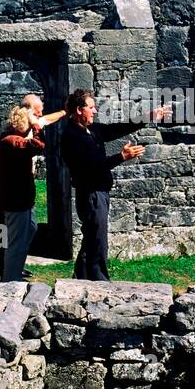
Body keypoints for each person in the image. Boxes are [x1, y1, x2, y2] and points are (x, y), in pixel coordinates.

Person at [60, 88, 170, 281]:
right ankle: (100, 282)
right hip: (91, 194)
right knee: (98, 241)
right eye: (91, 108)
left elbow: (117, 128)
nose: (94, 112)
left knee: (91, 239)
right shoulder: (72, 136)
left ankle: (79, 280)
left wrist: (148, 116)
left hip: (100, 192)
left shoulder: (91, 129)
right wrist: (122, 157)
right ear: (79, 110)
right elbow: (92, 166)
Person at [0, 105, 45, 282]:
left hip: (21, 199)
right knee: (15, 245)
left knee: (30, 228)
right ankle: (10, 283)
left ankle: (13, 273)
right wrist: (36, 126)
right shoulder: (12, 141)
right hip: (16, 201)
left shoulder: (9, 139)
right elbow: (39, 145)